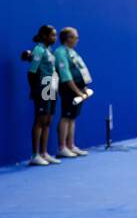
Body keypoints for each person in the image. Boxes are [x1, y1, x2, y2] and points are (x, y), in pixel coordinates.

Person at [53, 27, 92, 158]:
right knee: (66, 116)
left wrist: (84, 88)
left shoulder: (73, 52)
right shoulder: (60, 52)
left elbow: (80, 71)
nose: (77, 40)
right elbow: (66, 75)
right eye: (75, 37)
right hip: (68, 89)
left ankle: (71, 145)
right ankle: (62, 147)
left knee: (73, 118)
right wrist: (77, 91)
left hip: (78, 89)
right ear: (67, 38)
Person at [26, 24, 59, 166]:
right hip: (44, 84)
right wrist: (35, 89)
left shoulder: (49, 50)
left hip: (52, 83)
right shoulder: (39, 49)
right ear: (44, 36)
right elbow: (32, 72)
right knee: (40, 120)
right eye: (52, 35)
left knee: (48, 120)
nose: (55, 38)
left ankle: (44, 153)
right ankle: (35, 155)